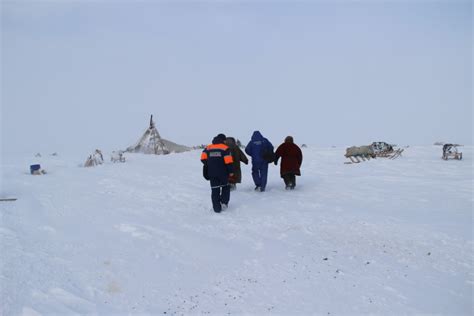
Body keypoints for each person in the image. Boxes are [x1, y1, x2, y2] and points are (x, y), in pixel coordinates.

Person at [201, 133, 234, 213]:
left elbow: (203, 158)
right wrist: (231, 171)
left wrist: (210, 164)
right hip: (223, 173)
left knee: (215, 189)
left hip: (212, 173)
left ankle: (216, 208)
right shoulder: (225, 148)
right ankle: (224, 203)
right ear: (223, 140)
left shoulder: (208, 148)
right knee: (225, 187)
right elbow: (228, 162)